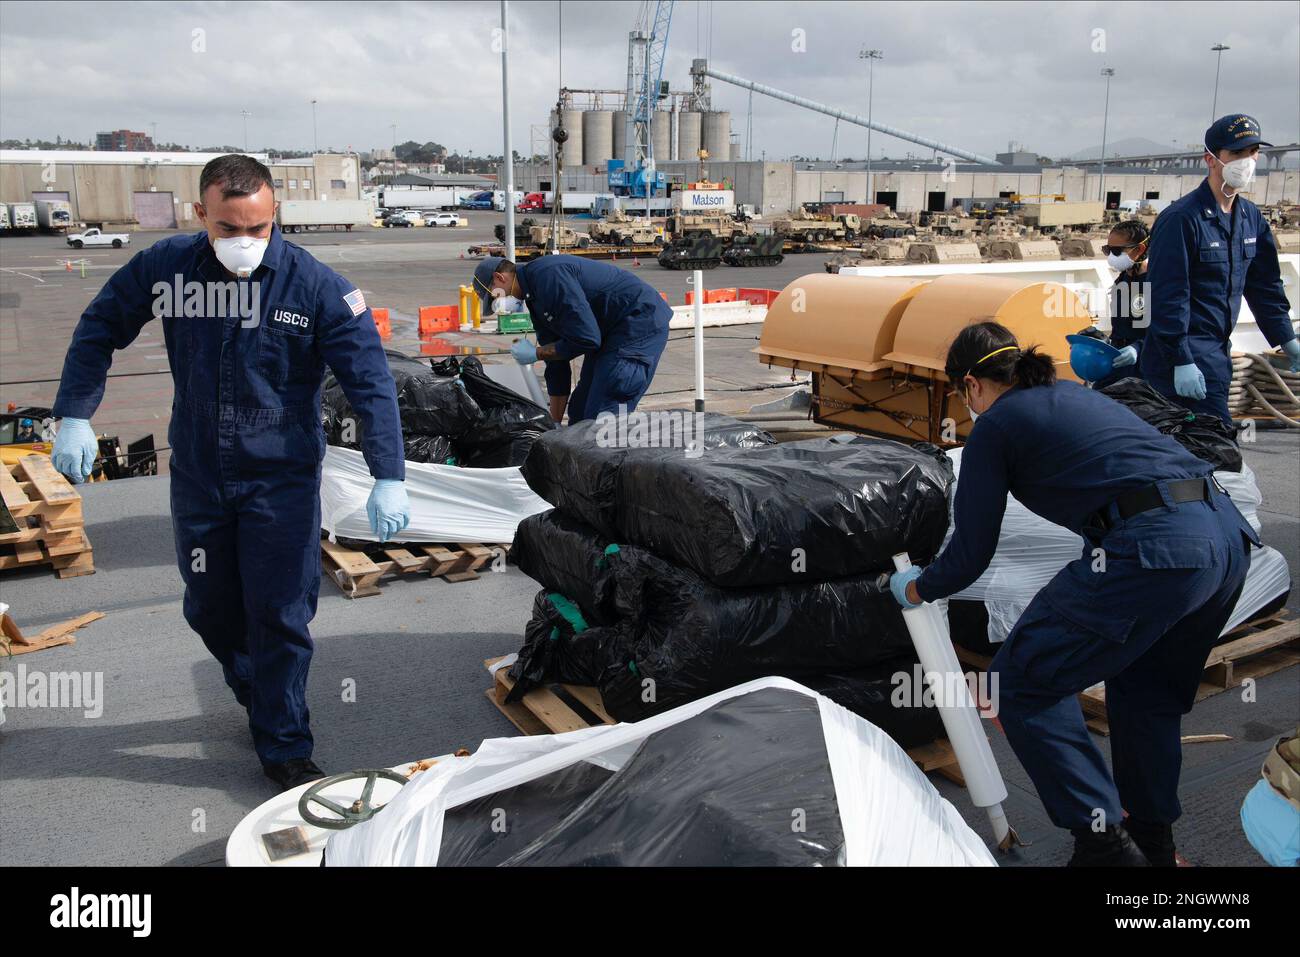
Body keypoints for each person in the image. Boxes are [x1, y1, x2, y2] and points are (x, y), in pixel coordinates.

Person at [49, 155, 410, 791]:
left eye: (260, 229)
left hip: (282, 481)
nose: (245, 242)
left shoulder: (317, 287)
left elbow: (370, 384)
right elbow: (100, 326)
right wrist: (75, 413)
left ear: (276, 218)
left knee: (279, 614)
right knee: (209, 609)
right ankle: (258, 686)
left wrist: (390, 472)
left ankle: (285, 746)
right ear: (201, 216)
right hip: (199, 477)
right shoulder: (167, 268)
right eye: (228, 229)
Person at [889, 321, 1258, 866]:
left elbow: (971, 552)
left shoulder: (998, 425)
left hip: (1156, 549)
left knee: (1021, 684)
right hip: (1224, 540)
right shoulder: (1069, 395)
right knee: (1145, 697)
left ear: (972, 385)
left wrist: (919, 587)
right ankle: (1154, 847)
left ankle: (1106, 845)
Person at [1140, 114, 1299, 426]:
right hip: (1178, 360)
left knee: (1206, 451)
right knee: (1207, 449)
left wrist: (1286, 338)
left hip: (1216, 356)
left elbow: (1264, 286)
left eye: (1252, 152)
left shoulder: (1251, 218)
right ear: (1210, 159)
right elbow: (1167, 296)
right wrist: (1181, 359)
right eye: (1236, 154)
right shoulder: (1182, 219)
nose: (1247, 161)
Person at [471, 255, 672, 424]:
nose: (499, 305)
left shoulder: (548, 277)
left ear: (500, 278)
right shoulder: (535, 299)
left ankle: (601, 468)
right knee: (580, 412)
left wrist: (537, 353)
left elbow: (586, 339)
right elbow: (556, 365)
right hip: (609, 334)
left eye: (495, 298)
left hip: (638, 324)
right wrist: (554, 425)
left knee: (603, 412)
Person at [1092, 219, 1151, 390]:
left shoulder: (1155, 282)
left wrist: (1138, 348)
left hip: (1145, 364)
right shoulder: (1123, 280)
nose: (1111, 256)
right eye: (1108, 250)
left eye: (1117, 251)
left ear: (1139, 249)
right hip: (1119, 358)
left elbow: (1164, 328)